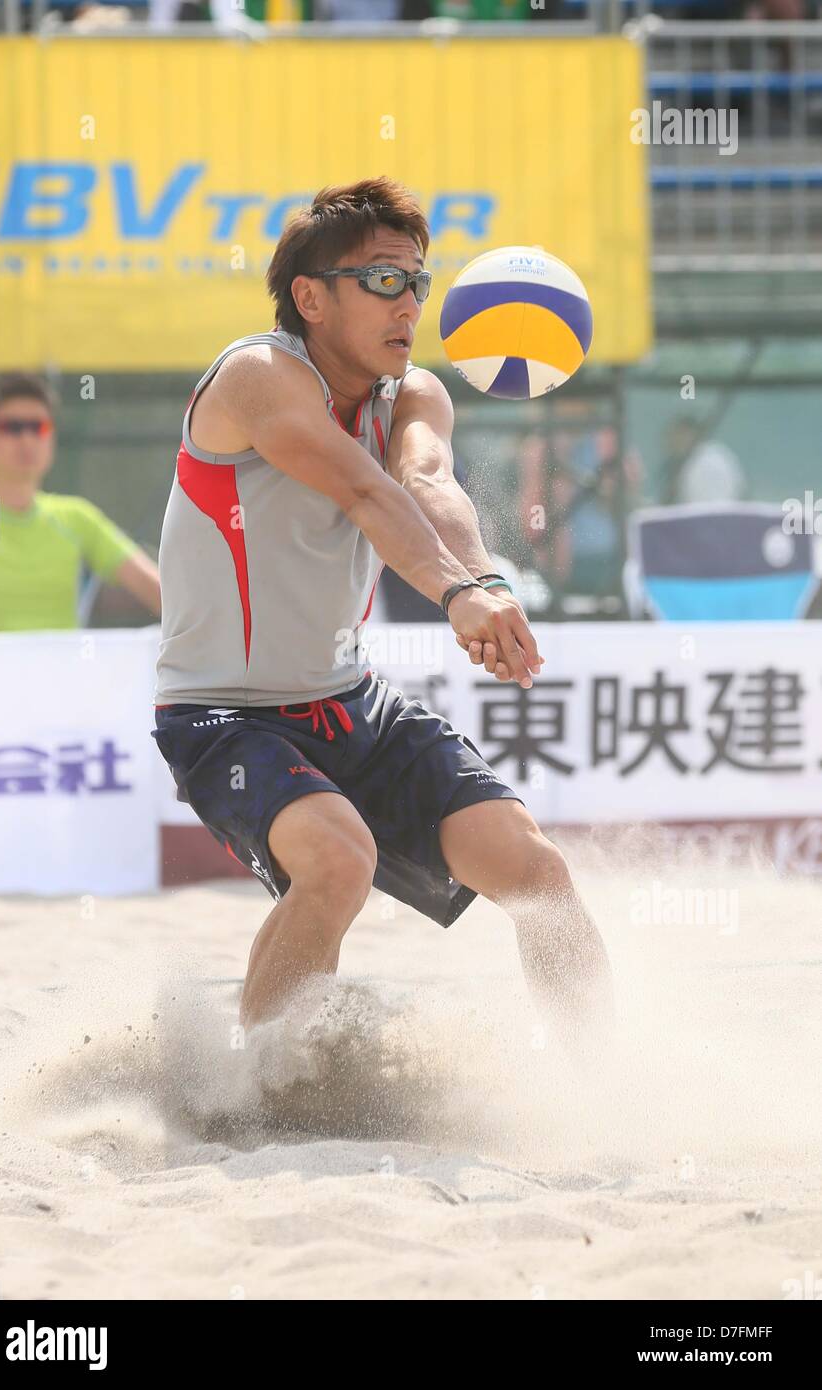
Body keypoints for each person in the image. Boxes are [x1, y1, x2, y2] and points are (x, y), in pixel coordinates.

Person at [150, 176, 613, 1063]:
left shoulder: (416, 396)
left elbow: (426, 486)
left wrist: (484, 580)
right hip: (221, 713)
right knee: (336, 861)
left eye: (420, 283)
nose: (411, 306)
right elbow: (365, 491)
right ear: (311, 298)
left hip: (350, 701)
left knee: (538, 875)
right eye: (385, 282)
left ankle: (598, 1081)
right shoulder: (256, 378)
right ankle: (257, 1087)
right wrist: (454, 595)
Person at [0, 373, 161, 633]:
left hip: (65, 673)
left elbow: (161, 593)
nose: (27, 440)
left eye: (39, 427)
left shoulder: (77, 518)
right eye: (12, 427)